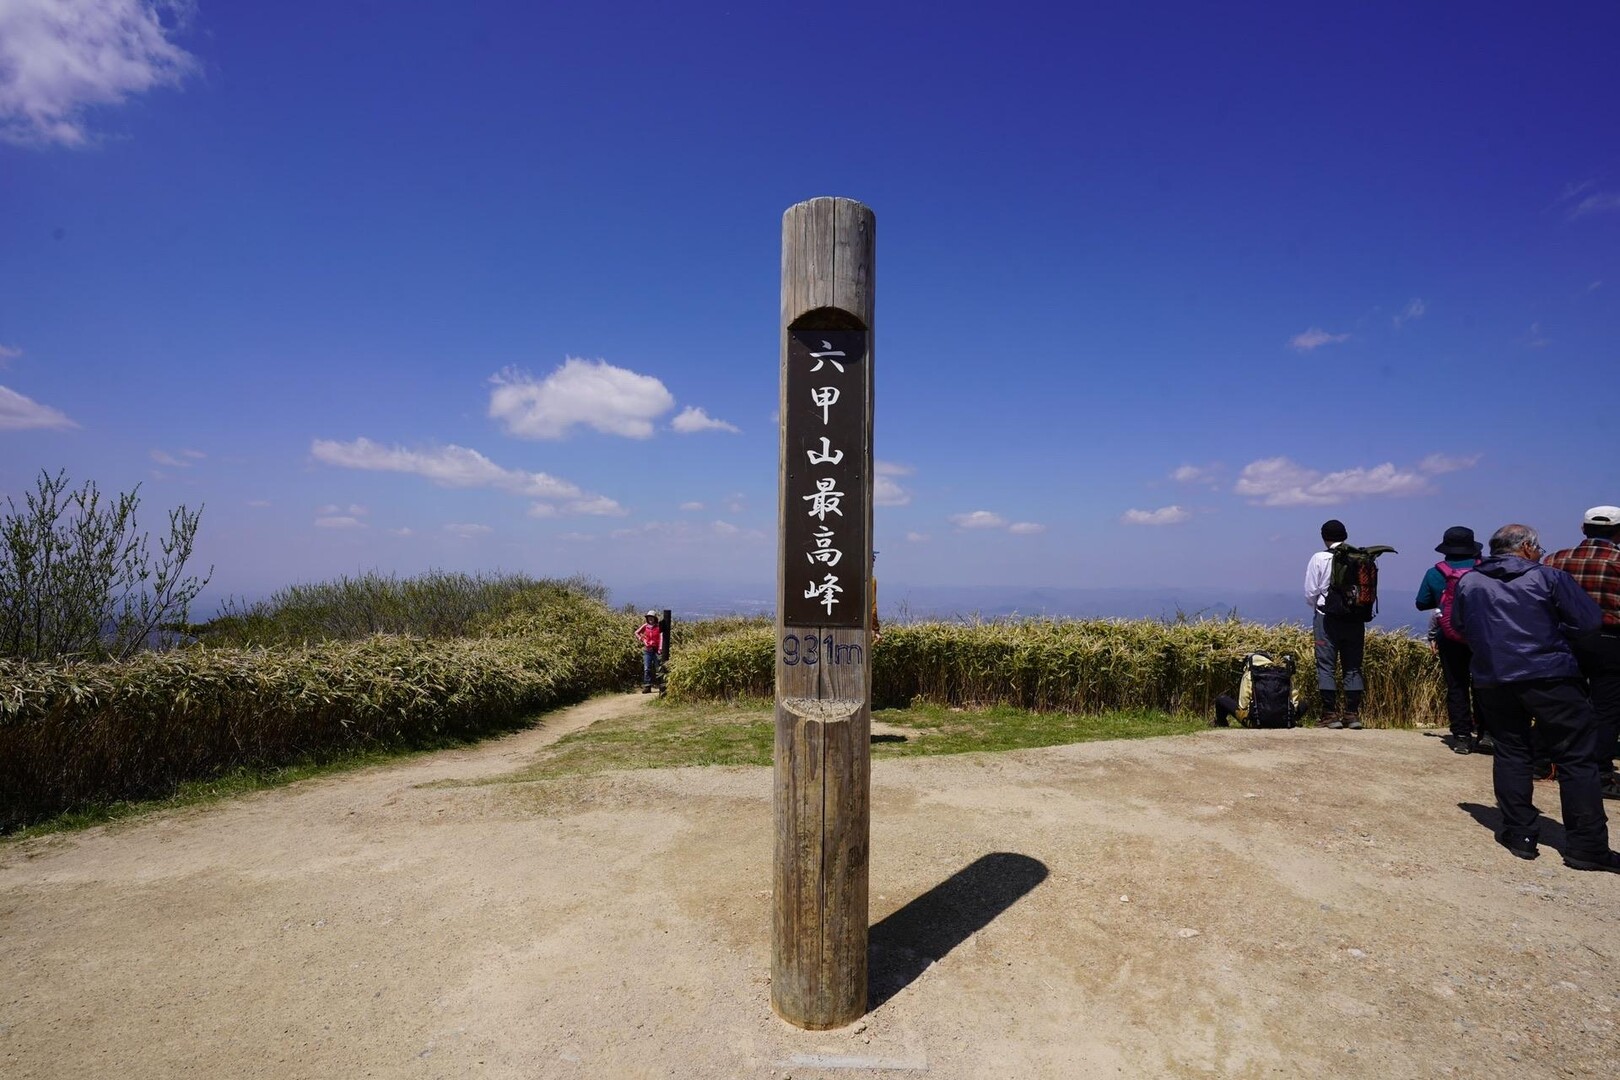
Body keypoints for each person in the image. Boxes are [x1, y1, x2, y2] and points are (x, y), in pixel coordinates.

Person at [1453, 524, 1618, 872]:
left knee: (1511, 752)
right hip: (1549, 675)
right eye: (1538, 547)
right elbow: (1588, 621)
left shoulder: (1470, 581)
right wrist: (1558, 638)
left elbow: (1459, 625)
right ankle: (1586, 847)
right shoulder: (1548, 578)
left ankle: (1520, 835)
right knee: (1576, 757)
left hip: (1492, 678)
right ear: (1526, 547)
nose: (1541, 551)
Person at [1545, 505, 1620, 798]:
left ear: (1583, 530)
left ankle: (1548, 760)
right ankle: (1599, 770)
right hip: (1611, 640)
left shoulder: (1554, 559)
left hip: (1563, 637)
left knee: (1561, 700)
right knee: (1606, 706)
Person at [1415, 526, 1484, 753]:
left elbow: (1421, 602)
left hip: (1449, 635)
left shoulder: (1435, 573)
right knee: (1485, 684)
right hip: (1484, 635)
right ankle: (1487, 733)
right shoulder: (1486, 569)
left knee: (1456, 685)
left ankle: (1462, 736)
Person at [1303, 519, 1365, 729]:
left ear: (1324, 537)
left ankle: (1330, 714)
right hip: (1355, 619)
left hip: (1326, 618)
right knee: (1353, 667)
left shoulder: (1319, 558)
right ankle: (1352, 714)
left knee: (1326, 666)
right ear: (1345, 535)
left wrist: (1320, 607)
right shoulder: (1359, 557)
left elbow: (1310, 592)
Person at [1212, 652, 1300, 728]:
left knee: (1221, 699)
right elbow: (1294, 701)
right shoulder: (1282, 674)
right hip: (1285, 722)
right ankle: (1293, 721)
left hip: (1256, 723)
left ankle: (1221, 723)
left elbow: (1243, 704)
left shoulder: (1250, 673)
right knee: (1305, 704)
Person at [635, 610, 663, 693]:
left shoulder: (658, 627)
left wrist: (660, 648)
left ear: (655, 618)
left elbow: (661, 638)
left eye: (652, 617)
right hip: (647, 650)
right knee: (647, 668)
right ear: (647, 618)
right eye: (649, 617)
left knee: (659, 668)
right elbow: (636, 632)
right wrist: (642, 639)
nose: (650, 619)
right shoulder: (645, 626)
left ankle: (661, 686)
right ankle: (647, 687)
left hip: (656, 650)